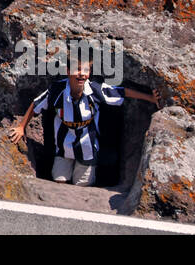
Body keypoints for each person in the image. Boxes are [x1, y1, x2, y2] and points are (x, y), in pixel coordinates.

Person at [9, 58, 161, 186]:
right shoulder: (57, 90)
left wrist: (150, 98)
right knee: (59, 180)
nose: (82, 74)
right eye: (78, 69)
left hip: (87, 146)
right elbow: (36, 105)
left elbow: (122, 91)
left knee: (82, 184)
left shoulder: (95, 90)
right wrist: (21, 127)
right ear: (68, 71)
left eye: (86, 70)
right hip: (63, 145)